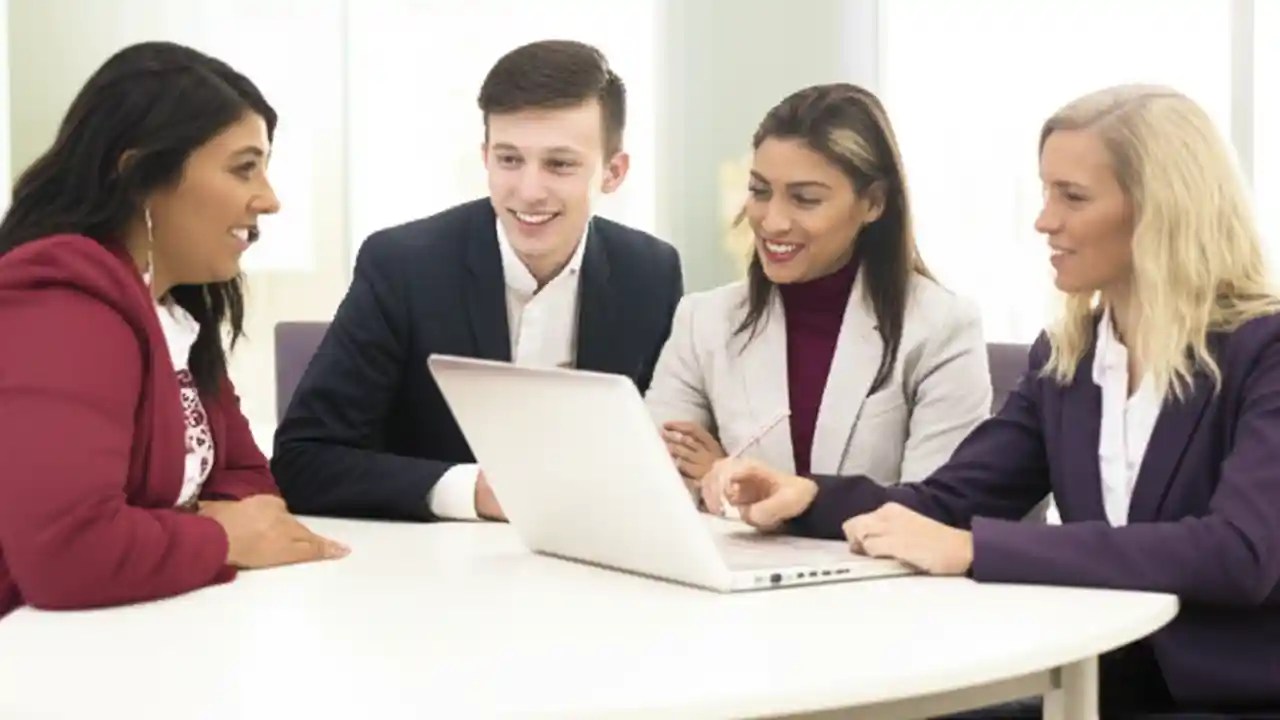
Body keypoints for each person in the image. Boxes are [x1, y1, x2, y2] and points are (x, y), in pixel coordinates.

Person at [706, 85, 1280, 715]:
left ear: (1161, 212)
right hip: (1103, 686)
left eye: (1073, 197)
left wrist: (979, 549)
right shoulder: (1067, 358)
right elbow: (949, 502)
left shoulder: (1264, 352)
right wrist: (806, 498)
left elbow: (1239, 553)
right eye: (1046, 192)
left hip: (1234, 696)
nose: (1044, 221)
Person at [0, 41, 348, 620]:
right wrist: (224, 537)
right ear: (139, 174)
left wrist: (158, 533)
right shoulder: (61, 302)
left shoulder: (173, 313)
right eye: (244, 168)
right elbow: (68, 555)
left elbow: (249, 482)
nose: (270, 199)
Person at [272, 40, 683, 522]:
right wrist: (474, 492)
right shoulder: (402, 265)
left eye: (560, 164)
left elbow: (654, 449)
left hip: (597, 555)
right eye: (509, 160)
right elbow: (303, 460)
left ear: (613, 172)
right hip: (431, 567)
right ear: (485, 156)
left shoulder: (651, 272)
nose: (529, 191)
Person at [645, 83, 990, 504]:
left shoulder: (941, 328)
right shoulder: (703, 320)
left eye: (805, 199)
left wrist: (742, 487)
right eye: (759, 191)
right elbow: (656, 488)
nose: (772, 222)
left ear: (874, 203)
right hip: (732, 568)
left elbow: (928, 512)